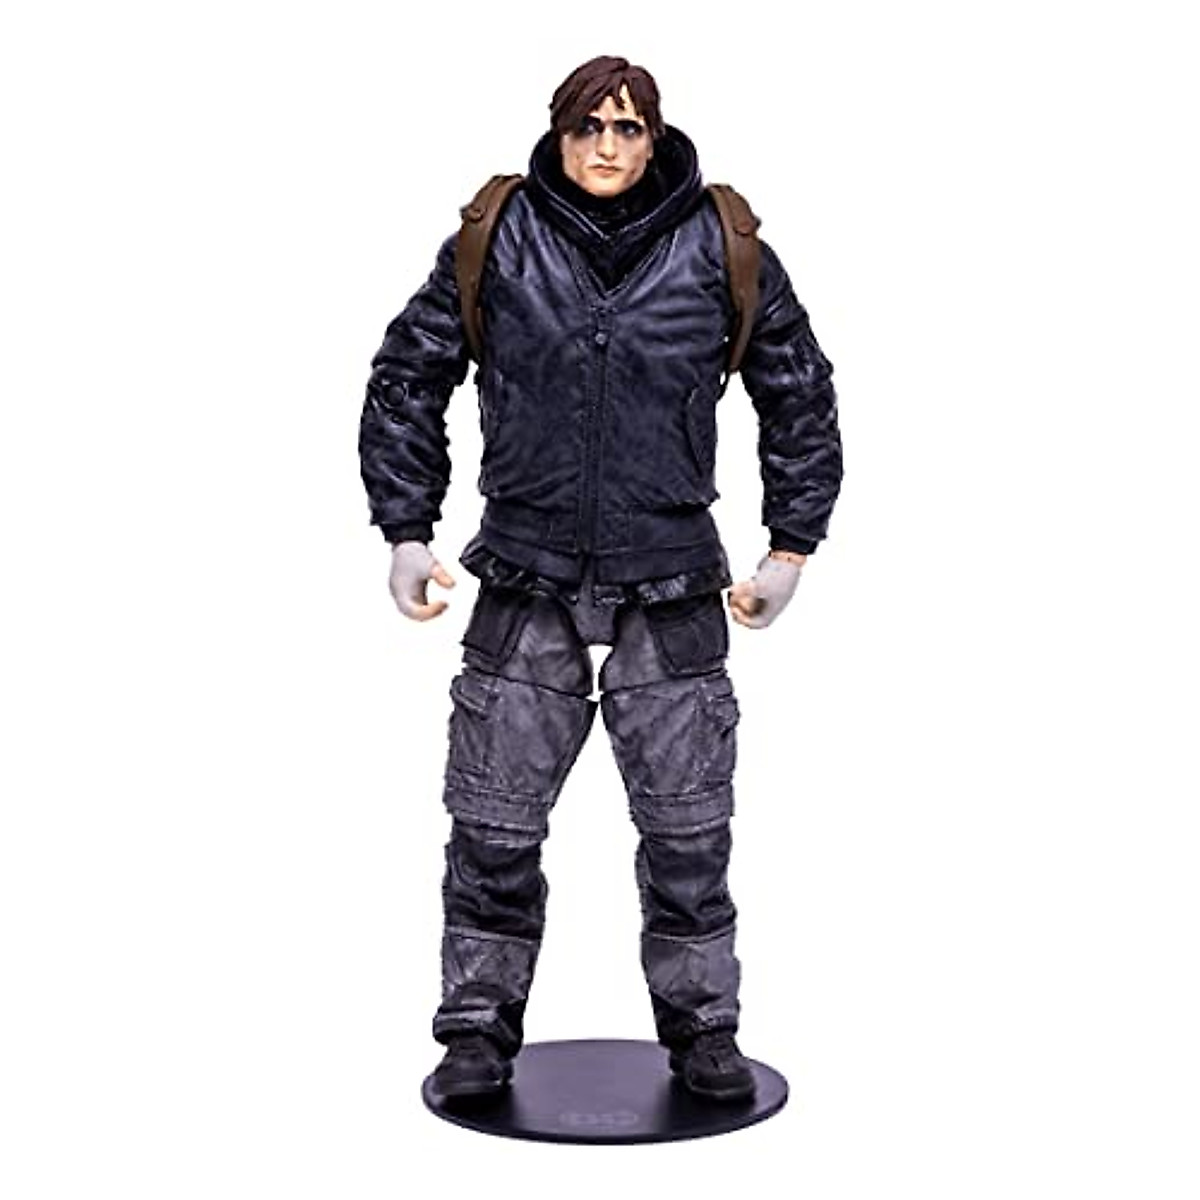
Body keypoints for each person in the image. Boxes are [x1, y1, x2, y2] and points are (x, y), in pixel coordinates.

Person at [359, 55, 842, 1102]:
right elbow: (409, 374)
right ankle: (476, 1030)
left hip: (671, 577)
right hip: (523, 571)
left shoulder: (721, 243)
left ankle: (704, 1028)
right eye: (588, 127)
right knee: (492, 830)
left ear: (654, 135)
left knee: (688, 836)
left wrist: (791, 546)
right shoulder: (499, 236)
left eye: (627, 127)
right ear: (560, 132)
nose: (607, 147)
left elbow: (797, 390)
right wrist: (405, 528)